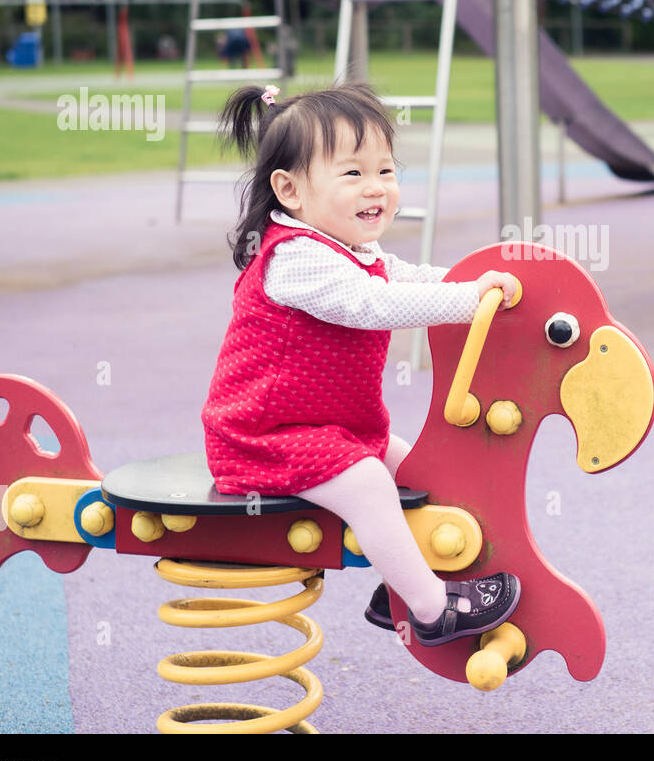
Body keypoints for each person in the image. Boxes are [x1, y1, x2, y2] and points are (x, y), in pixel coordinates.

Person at [202, 81, 521, 646]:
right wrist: (471, 302)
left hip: (333, 429)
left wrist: (475, 286)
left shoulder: (350, 249)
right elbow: (373, 305)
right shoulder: (294, 258)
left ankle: (396, 583)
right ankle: (431, 611)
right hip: (263, 435)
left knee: (425, 473)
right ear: (290, 190)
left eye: (386, 171)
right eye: (352, 174)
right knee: (372, 482)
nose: (375, 188)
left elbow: (405, 278)